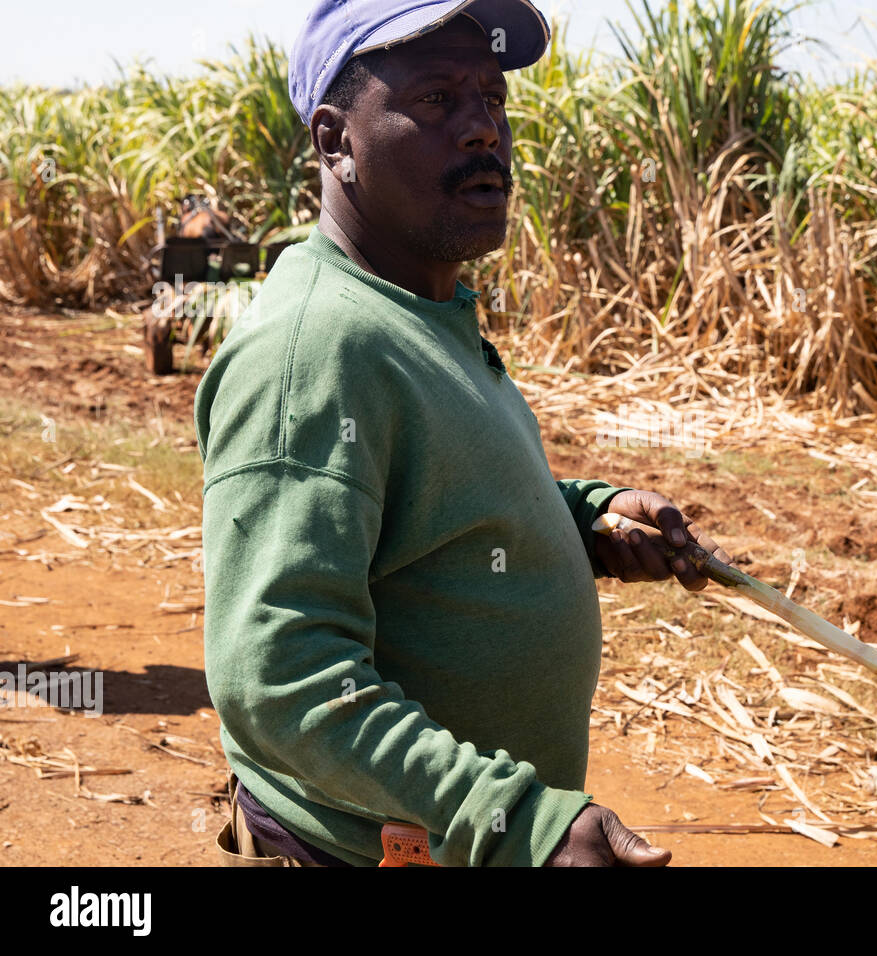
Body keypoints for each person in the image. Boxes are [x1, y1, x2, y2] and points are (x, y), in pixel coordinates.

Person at [195, 0, 731, 867]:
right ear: (336, 143)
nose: (485, 130)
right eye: (439, 99)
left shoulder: (418, 311)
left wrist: (583, 518)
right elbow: (281, 679)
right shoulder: (317, 349)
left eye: (493, 96)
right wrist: (509, 818)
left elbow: (425, 502)